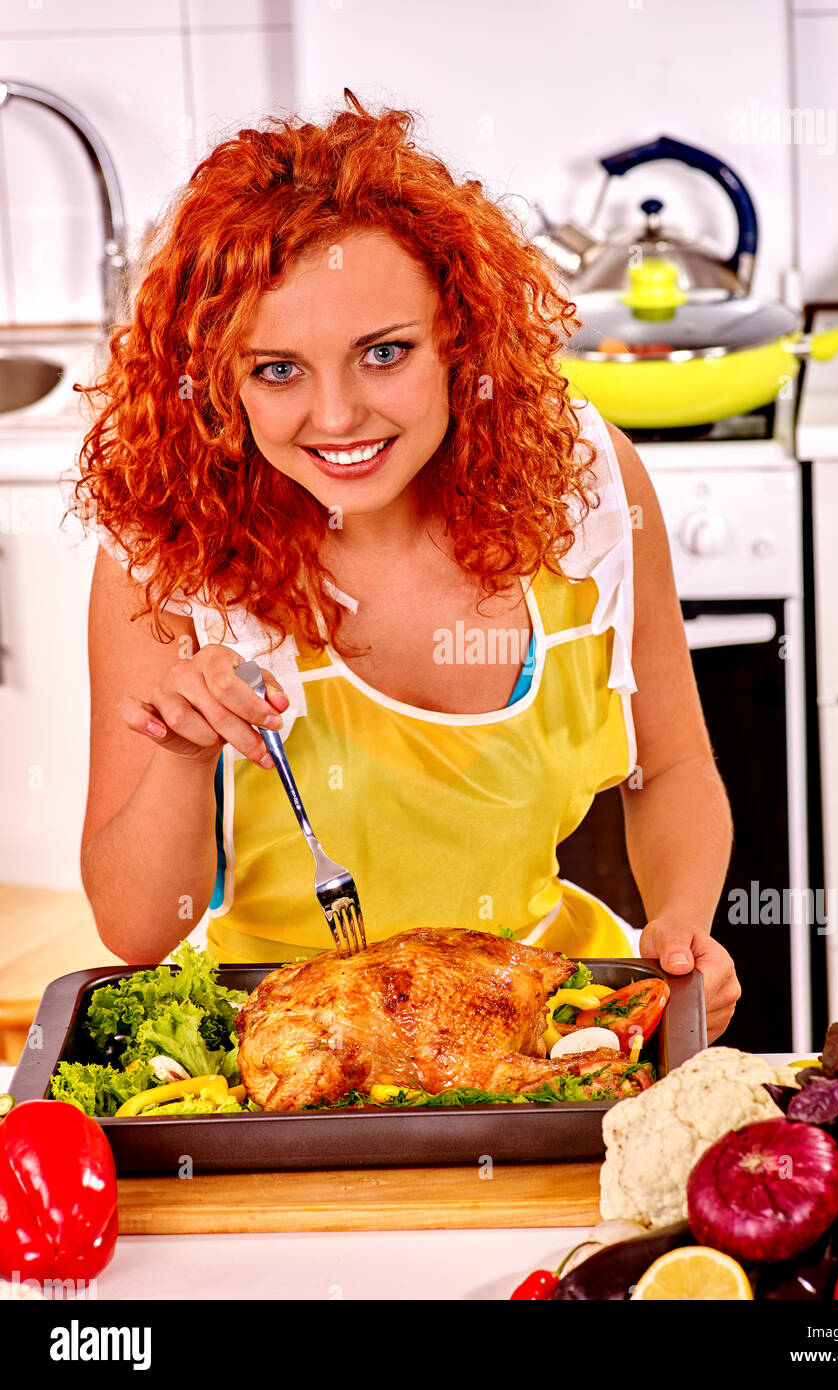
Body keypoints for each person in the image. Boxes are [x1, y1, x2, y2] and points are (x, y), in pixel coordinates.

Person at [73, 91, 740, 1043]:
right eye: (276, 370)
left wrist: (676, 926)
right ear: (217, 376)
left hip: (541, 1020)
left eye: (383, 354)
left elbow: (669, 766)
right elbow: (137, 932)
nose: (337, 417)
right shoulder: (168, 550)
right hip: (281, 1048)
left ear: (460, 338)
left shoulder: (584, 484)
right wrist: (185, 748)